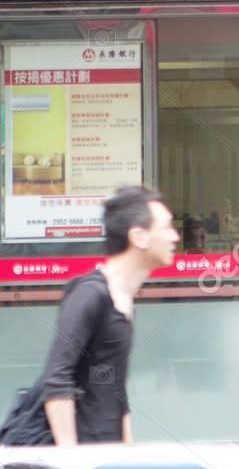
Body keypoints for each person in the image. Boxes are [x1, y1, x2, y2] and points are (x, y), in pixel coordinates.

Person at [41, 185, 179, 445]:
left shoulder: (123, 298)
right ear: (139, 237)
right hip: (83, 461)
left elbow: (112, 386)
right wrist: (72, 464)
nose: (175, 237)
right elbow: (57, 380)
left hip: (108, 456)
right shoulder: (90, 294)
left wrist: (126, 454)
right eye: (167, 227)